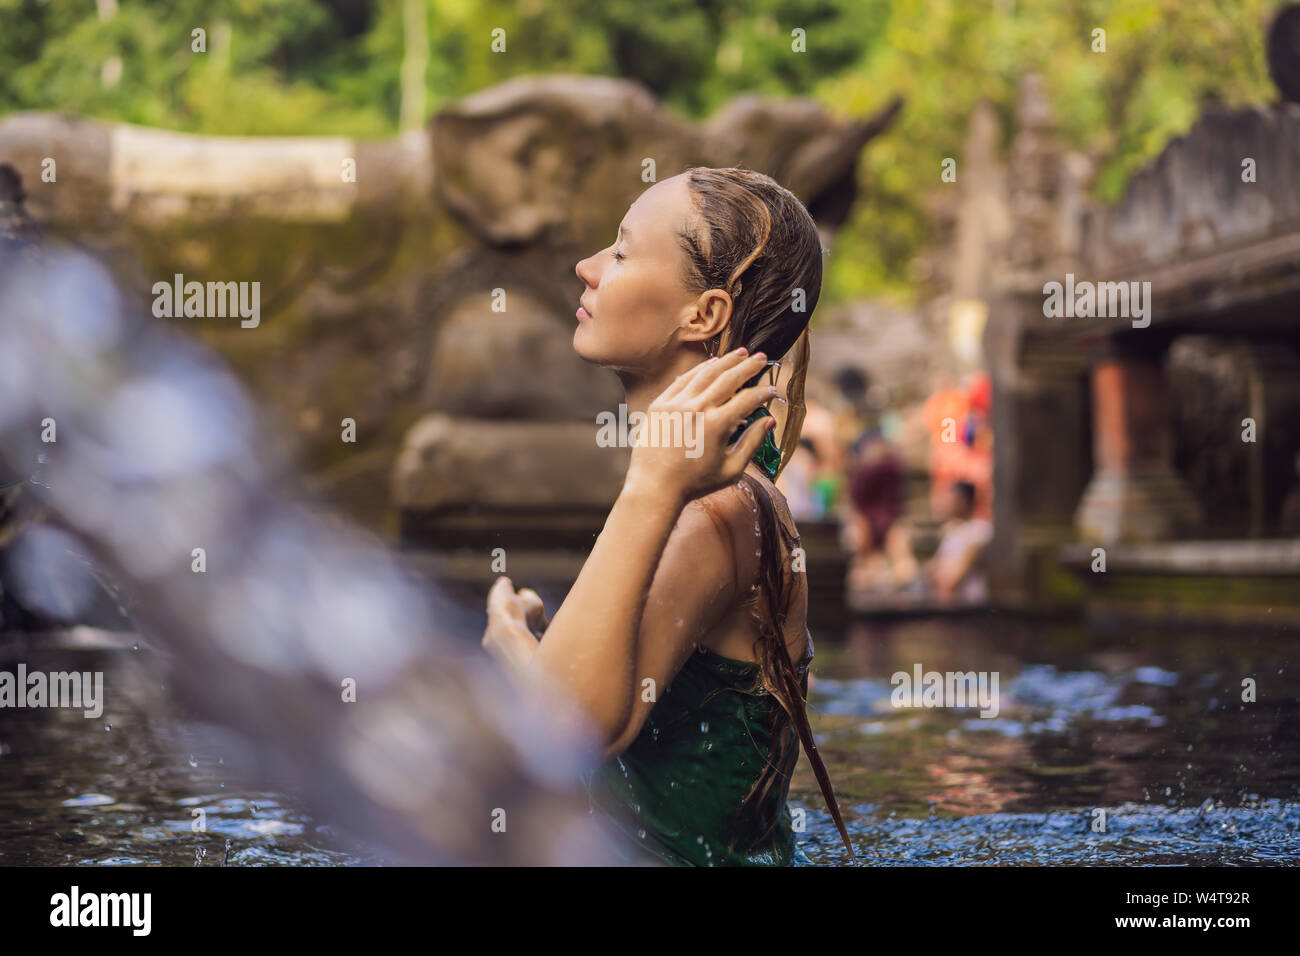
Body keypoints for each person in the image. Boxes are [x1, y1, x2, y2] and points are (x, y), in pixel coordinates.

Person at [479, 167, 851, 865]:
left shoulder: (715, 512)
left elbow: (561, 732)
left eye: (619, 253)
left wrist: (507, 646)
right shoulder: (729, 495)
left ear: (703, 315)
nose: (586, 268)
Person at [926, 480, 992, 603]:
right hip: (946, 605)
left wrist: (943, 573)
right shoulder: (951, 533)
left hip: (969, 608)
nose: (946, 503)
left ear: (963, 501)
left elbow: (952, 581)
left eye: (951, 498)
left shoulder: (981, 531)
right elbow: (931, 573)